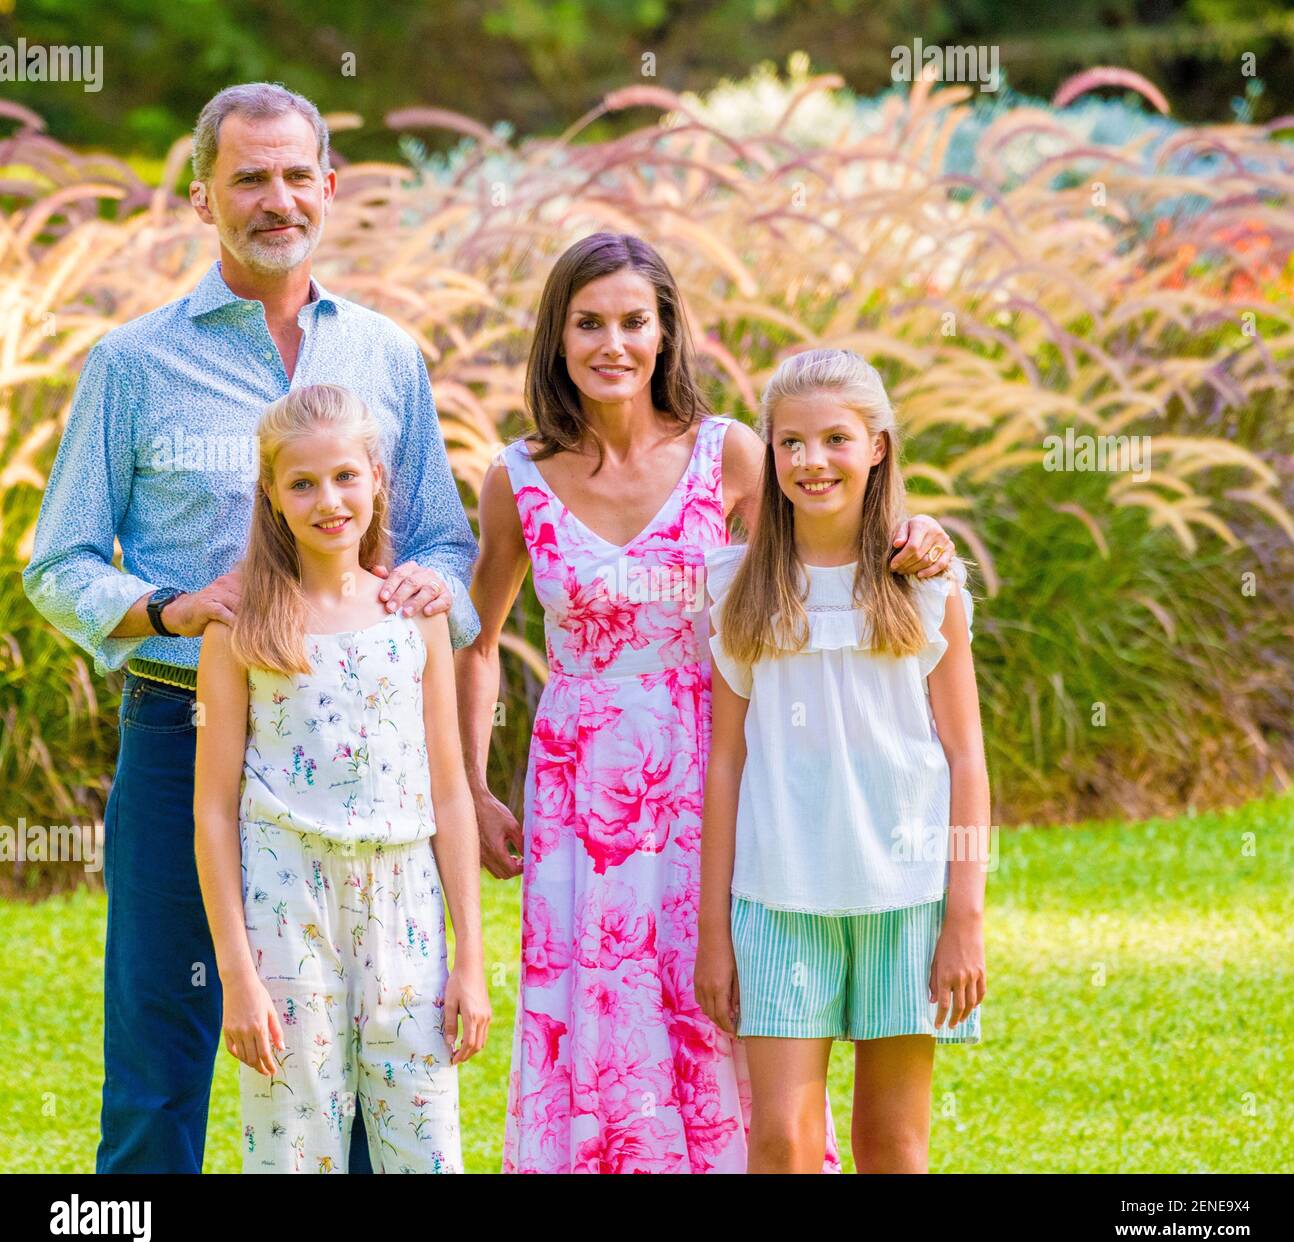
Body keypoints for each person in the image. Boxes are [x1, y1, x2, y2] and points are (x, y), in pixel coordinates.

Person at [21, 82, 478, 1173]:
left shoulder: (386, 356)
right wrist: (170, 607)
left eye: (295, 175)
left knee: (362, 1053)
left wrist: (428, 592)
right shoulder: (132, 364)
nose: (277, 199)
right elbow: (57, 562)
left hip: (357, 749)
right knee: (160, 1050)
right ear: (202, 198)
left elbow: (445, 543)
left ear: (329, 186)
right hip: (185, 732)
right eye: (249, 179)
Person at [456, 232, 958, 1171]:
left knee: (721, 1004)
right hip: (578, 791)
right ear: (557, 337)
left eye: (633, 322)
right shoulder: (514, 478)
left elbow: (828, 542)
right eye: (589, 323)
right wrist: (476, 788)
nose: (613, 344)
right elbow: (476, 643)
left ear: (665, 332)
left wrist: (916, 530)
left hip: (716, 764)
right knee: (599, 1011)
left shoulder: (725, 453)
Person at [695, 348, 989, 1174]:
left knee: (891, 1142)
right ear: (770, 451)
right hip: (778, 897)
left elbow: (966, 758)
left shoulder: (925, 584)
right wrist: (715, 931)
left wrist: (964, 917)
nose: (811, 461)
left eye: (835, 439)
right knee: (781, 1139)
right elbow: (726, 762)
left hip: (908, 897)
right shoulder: (736, 586)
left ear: (878, 447)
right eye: (790, 442)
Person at [193, 384, 489, 1173]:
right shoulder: (240, 628)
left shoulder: (415, 615)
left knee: (424, 1144)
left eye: (345, 477)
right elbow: (213, 810)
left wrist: (470, 957)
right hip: (288, 903)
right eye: (303, 483)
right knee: (294, 1145)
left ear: (377, 478)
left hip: (405, 903)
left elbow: (449, 790)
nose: (328, 501)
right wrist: (238, 975)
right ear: (271, 494)